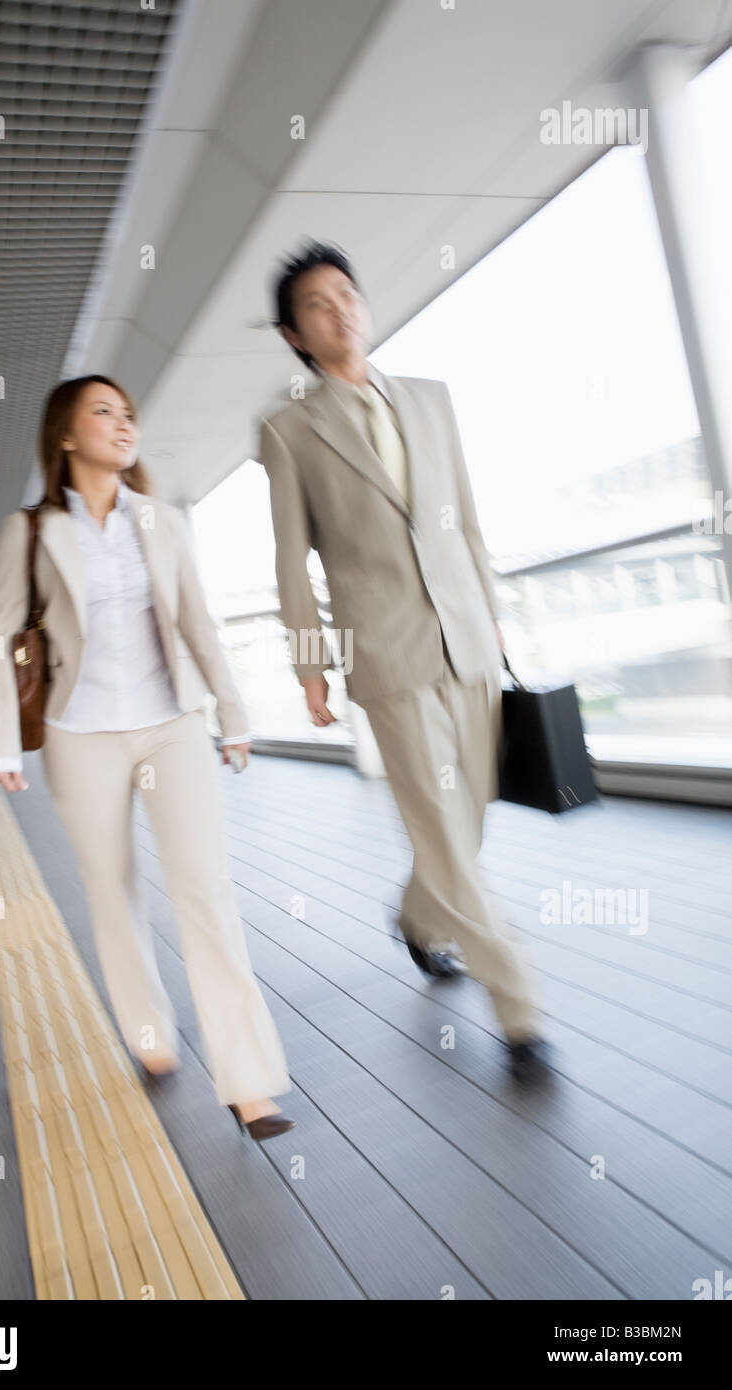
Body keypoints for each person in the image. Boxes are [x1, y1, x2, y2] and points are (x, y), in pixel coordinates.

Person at [257, 240, 552, 1081]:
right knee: (447, 834)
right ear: (294, 336)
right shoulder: (289, 430)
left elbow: (466, 521)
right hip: (384, 652)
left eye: (347, 293)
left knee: (469, 817)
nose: (340, 310)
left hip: (466, 641)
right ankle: (522, 1011)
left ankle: (421, 923)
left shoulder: (432, 400)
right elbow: (291, 561)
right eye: (318, 304)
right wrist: (310, 665)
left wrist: (492, 619)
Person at [0, 373, 295, 1139]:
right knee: (112, 892)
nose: (123, 425)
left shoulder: (158, 520)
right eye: (103, 413)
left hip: (170, 725)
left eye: (129, 414)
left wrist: (234, 714)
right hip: (80, 734)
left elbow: (198, 622)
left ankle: (250, 1082)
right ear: (65, 434)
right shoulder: (31, 530)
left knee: (206, 891)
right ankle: (149, 1032)